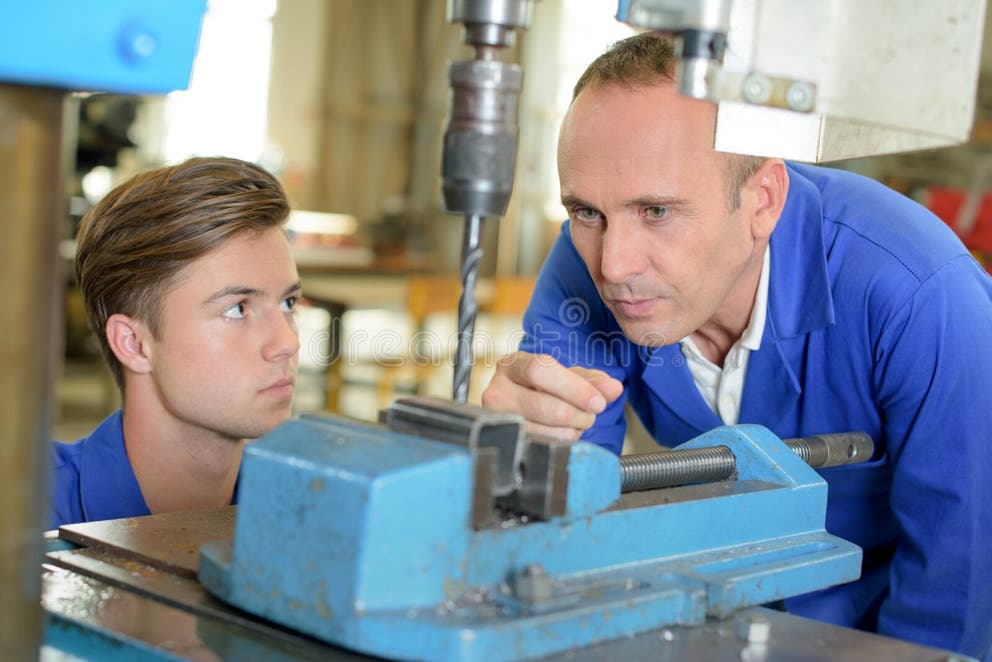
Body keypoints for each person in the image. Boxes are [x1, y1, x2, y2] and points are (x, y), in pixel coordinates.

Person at [482, 33, 992, 659]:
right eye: (587, 211)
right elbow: (559, 536)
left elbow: (959, 585)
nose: (613, 264)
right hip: (715, 618)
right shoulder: (581, 263)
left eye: (657, 211)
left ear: (763, 201)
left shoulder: (922, 296)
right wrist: (521, 455)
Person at [50, 156, 301, 528]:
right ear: (134, 343)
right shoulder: (22, 513)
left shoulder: (300, 514)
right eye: (237, 309)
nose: (287, 342)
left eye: (288, 303)